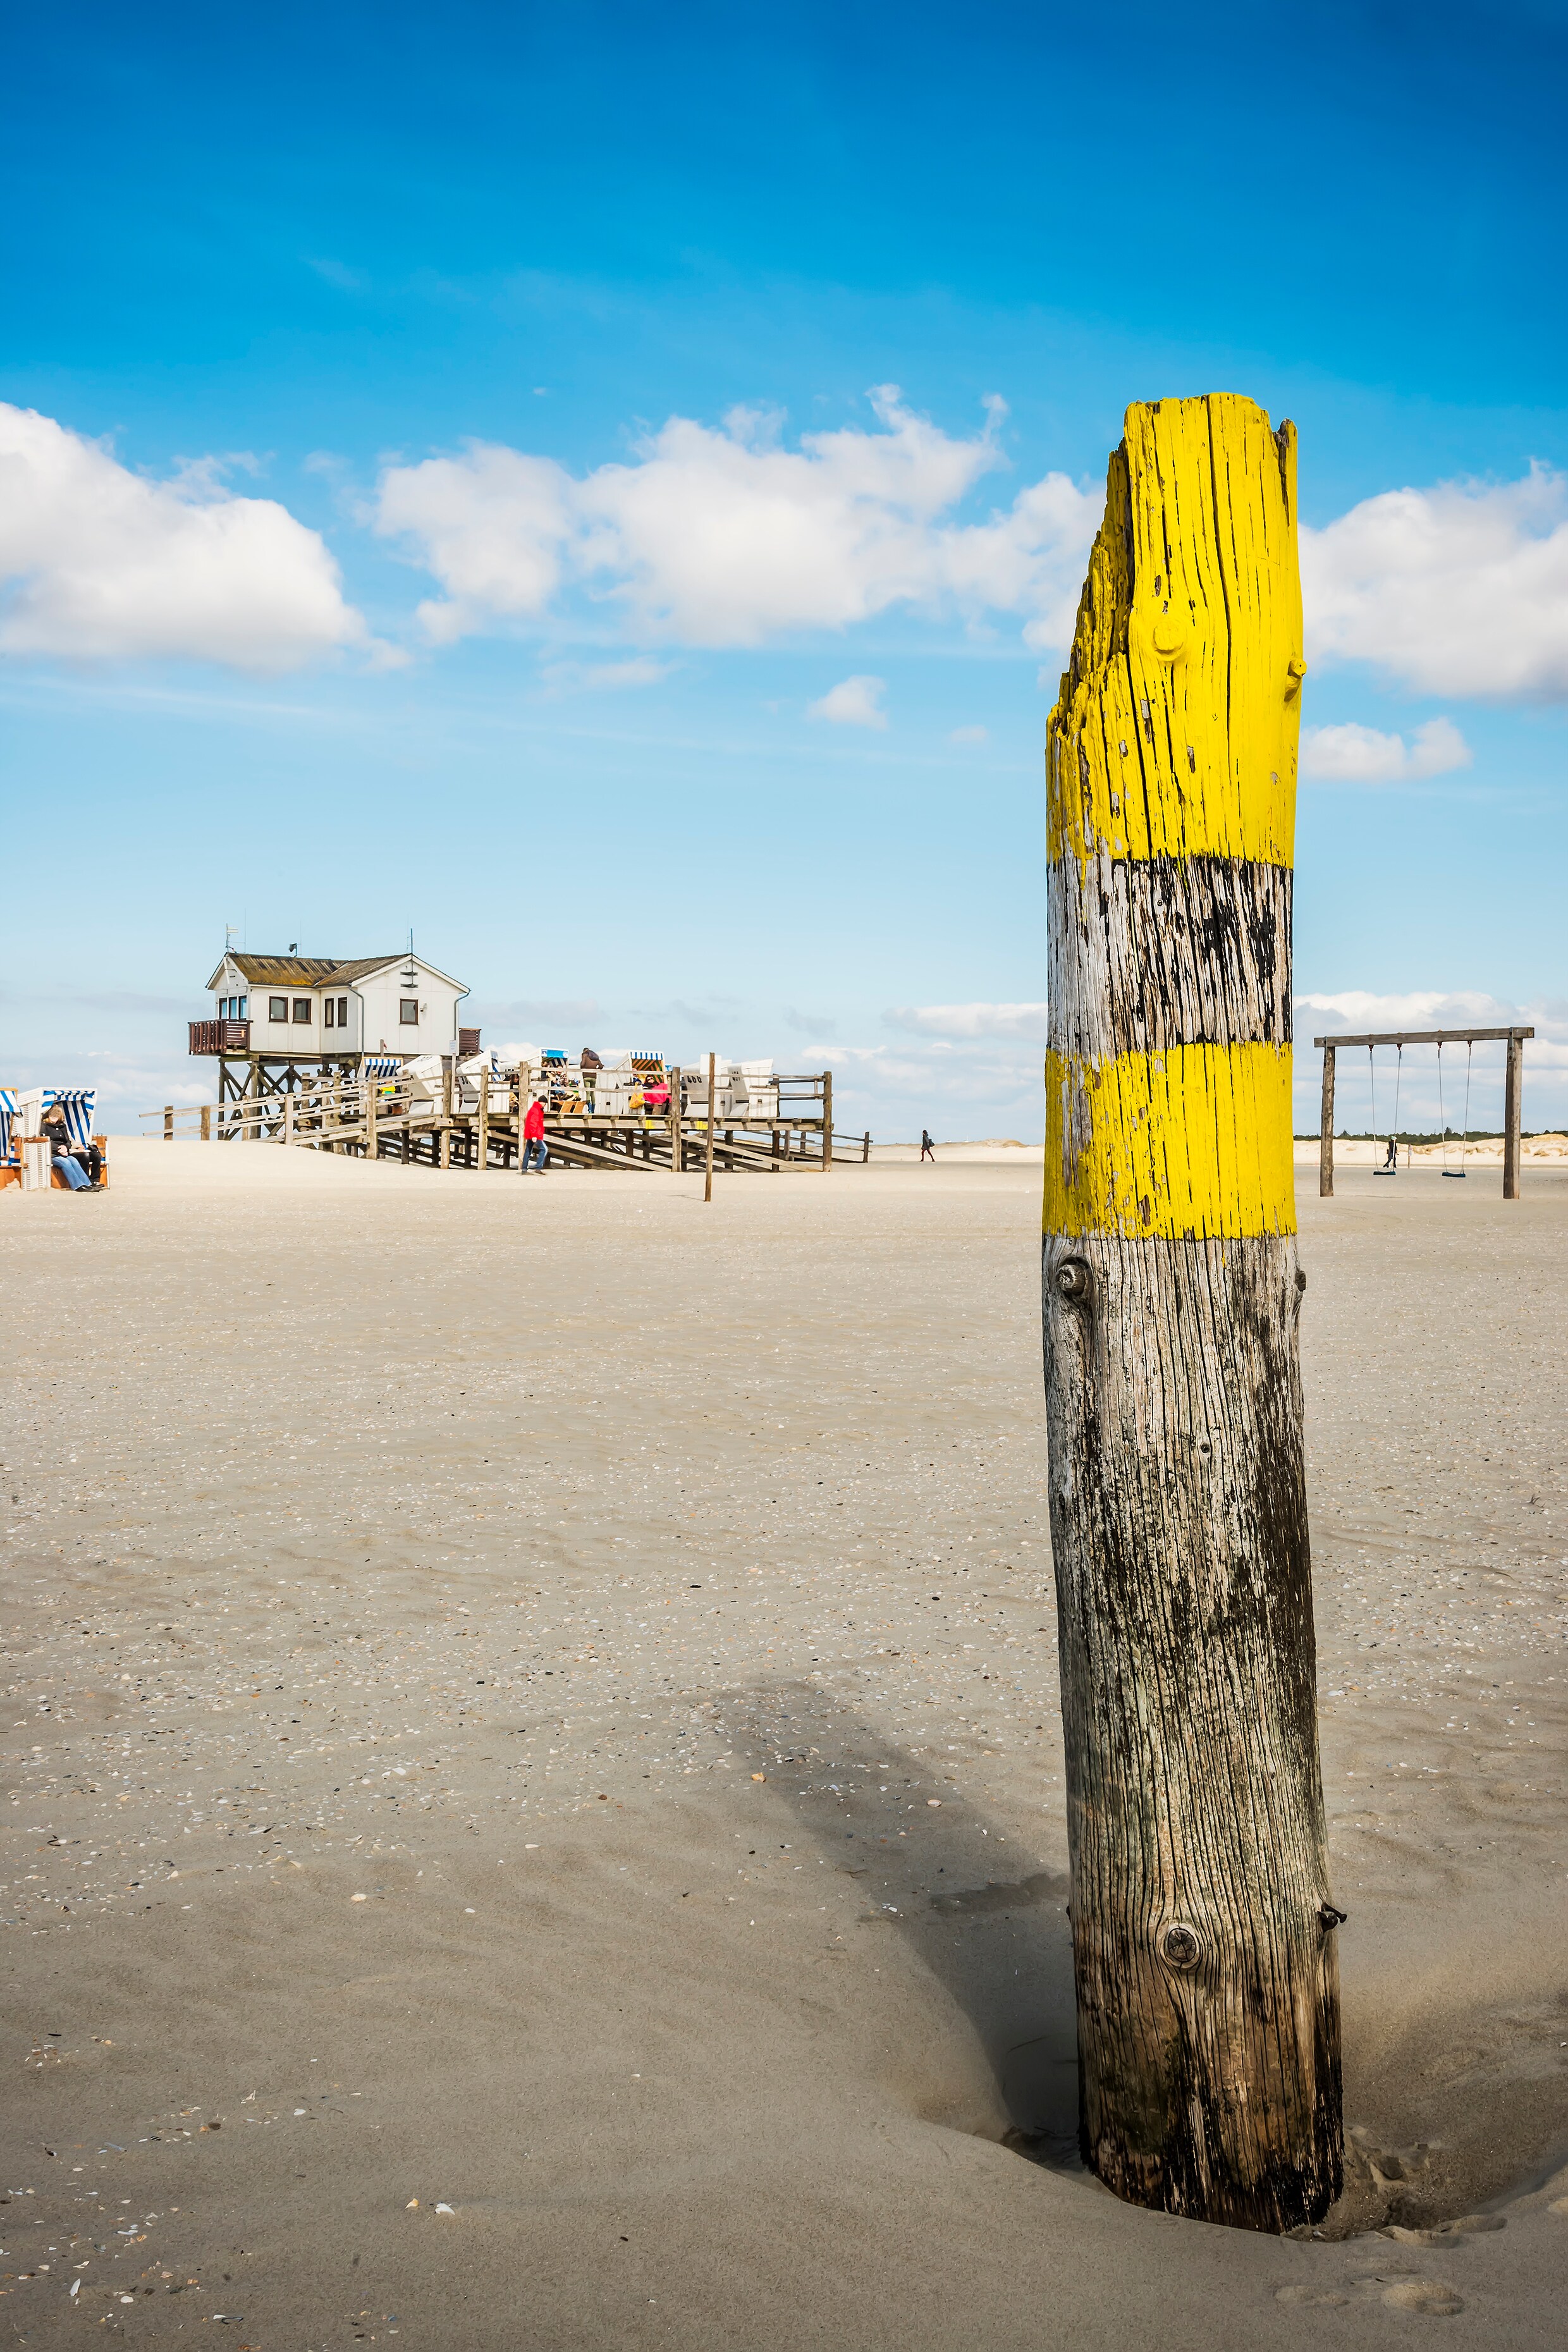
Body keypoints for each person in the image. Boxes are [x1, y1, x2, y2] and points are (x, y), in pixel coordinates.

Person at [40, 1102, 100, 1191]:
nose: (54, 1118)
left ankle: (87, 1184)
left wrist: (65, 1147)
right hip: (52, 1154)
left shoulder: (62, 1126)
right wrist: (59, 1149)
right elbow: (45, 1141)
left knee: (74, 1161)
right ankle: (78, 1186)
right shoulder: (44, 1126)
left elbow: (68, 1141)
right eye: (52, 1115)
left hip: (64, 1153)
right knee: (66, 1163)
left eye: (56, 1116)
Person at [521, 1093, 549, 1173]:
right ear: (542, 1102)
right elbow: (533, 1123)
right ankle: (538, 1167)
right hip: (535, 1134)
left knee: (528, 1151)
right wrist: (534, 1135)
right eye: (545, 1104)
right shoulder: (536, 1110)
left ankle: (524, 1169)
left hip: (532, 1134)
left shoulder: (535, 1109)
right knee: (544, 1149)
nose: (545, 1105)